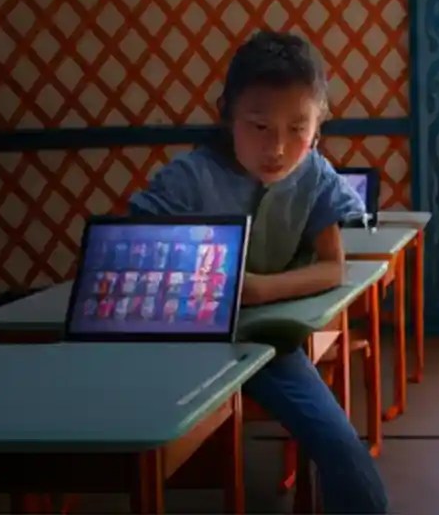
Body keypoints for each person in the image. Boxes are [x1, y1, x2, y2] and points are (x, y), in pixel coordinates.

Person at [128, 31, 388, 514]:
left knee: (347, 460)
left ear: (319, 124)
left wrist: (258, 290)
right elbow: (136, 247)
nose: (279, 148)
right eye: (260, 127)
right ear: (227, 114)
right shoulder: (189, 180)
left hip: (264, 346)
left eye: (297, 128)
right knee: (106, 440)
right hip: (170, 344)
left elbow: (334, 267)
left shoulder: (314, 174)